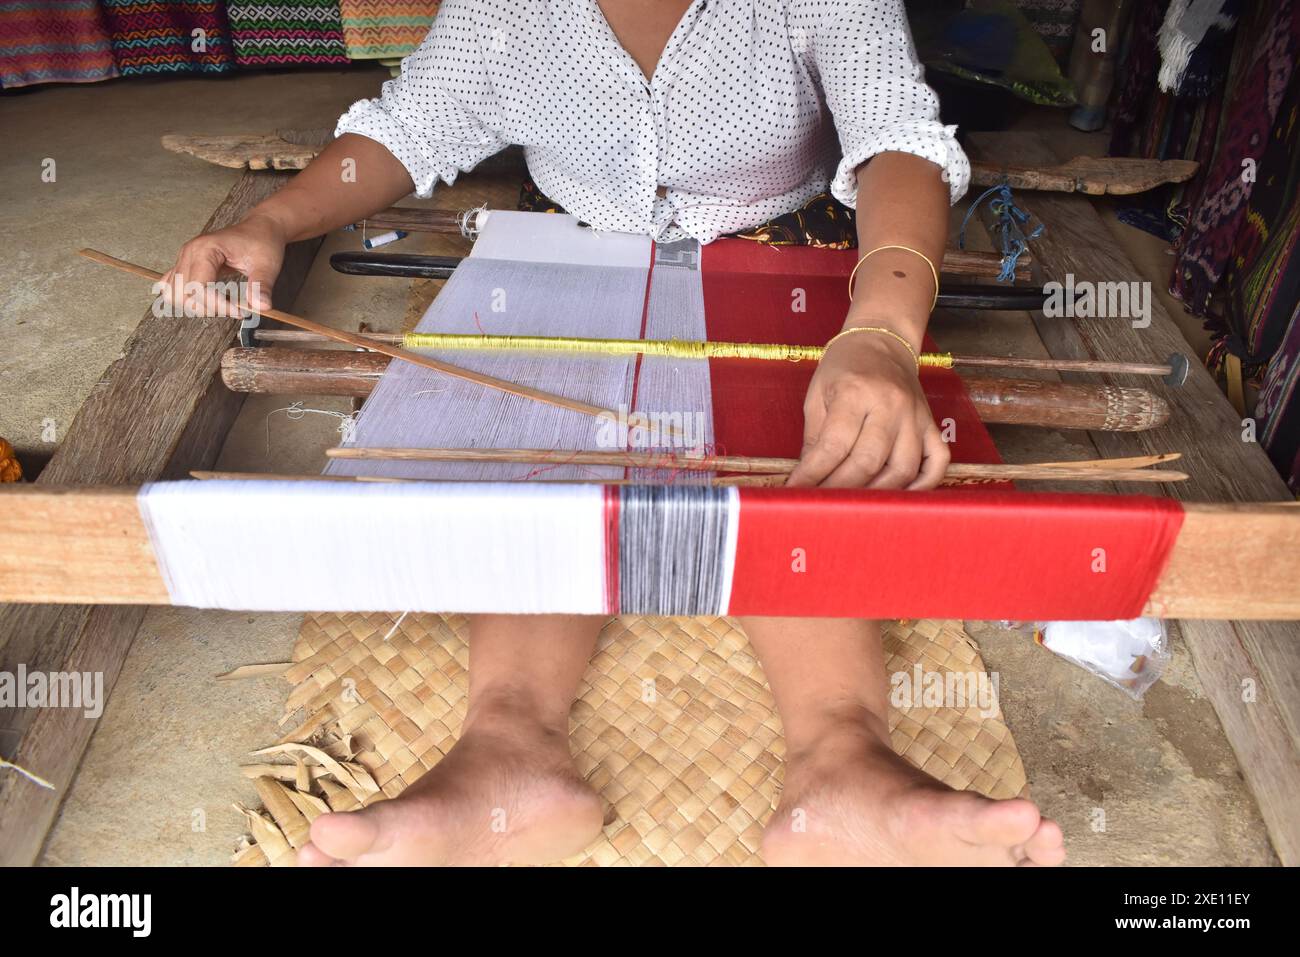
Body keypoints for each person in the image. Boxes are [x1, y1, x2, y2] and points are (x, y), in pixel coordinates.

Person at [165, 0, 1065, 867]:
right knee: (537, 445)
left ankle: (843, 760)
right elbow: (409, 126)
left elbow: (895, 136)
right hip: (572, 250)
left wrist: (879, 333)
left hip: (784, 251)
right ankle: (510, 753)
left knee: (820, 443)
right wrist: (269, 222)